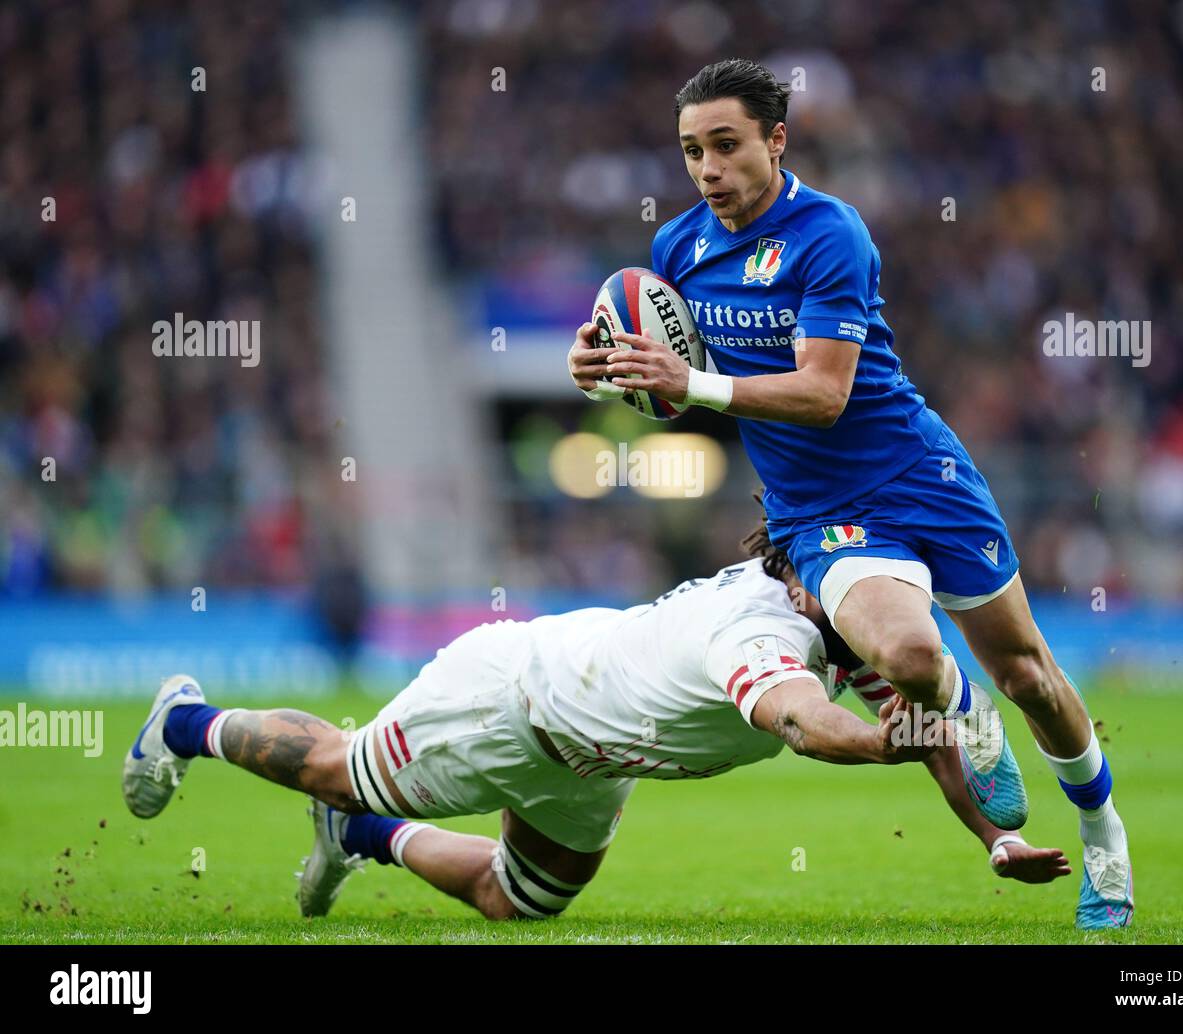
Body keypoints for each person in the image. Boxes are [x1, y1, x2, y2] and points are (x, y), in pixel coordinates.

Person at [566, 58, 1130, 929]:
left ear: (776, 140)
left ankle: (1103, 838)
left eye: (726, 146)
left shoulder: (832, 235)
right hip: (820, 513)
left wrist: (692, 382)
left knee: (1029, 673)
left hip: (919, 474)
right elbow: (686, 388)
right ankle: (963, 711)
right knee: (909, 662)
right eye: (691, 153)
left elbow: (824, 395)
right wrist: (610, 372)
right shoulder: (678, 249)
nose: (708, 169)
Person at [123, 545, 1068, 921]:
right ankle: (186, 721)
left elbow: (933, 730)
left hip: (590, 757)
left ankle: (363, 837)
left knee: (518, 903)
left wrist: (998, 838)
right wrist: (879, 746)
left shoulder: (838, 618)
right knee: (335, 764)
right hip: (510, 701)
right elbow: (807, 726)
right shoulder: (760, 631)